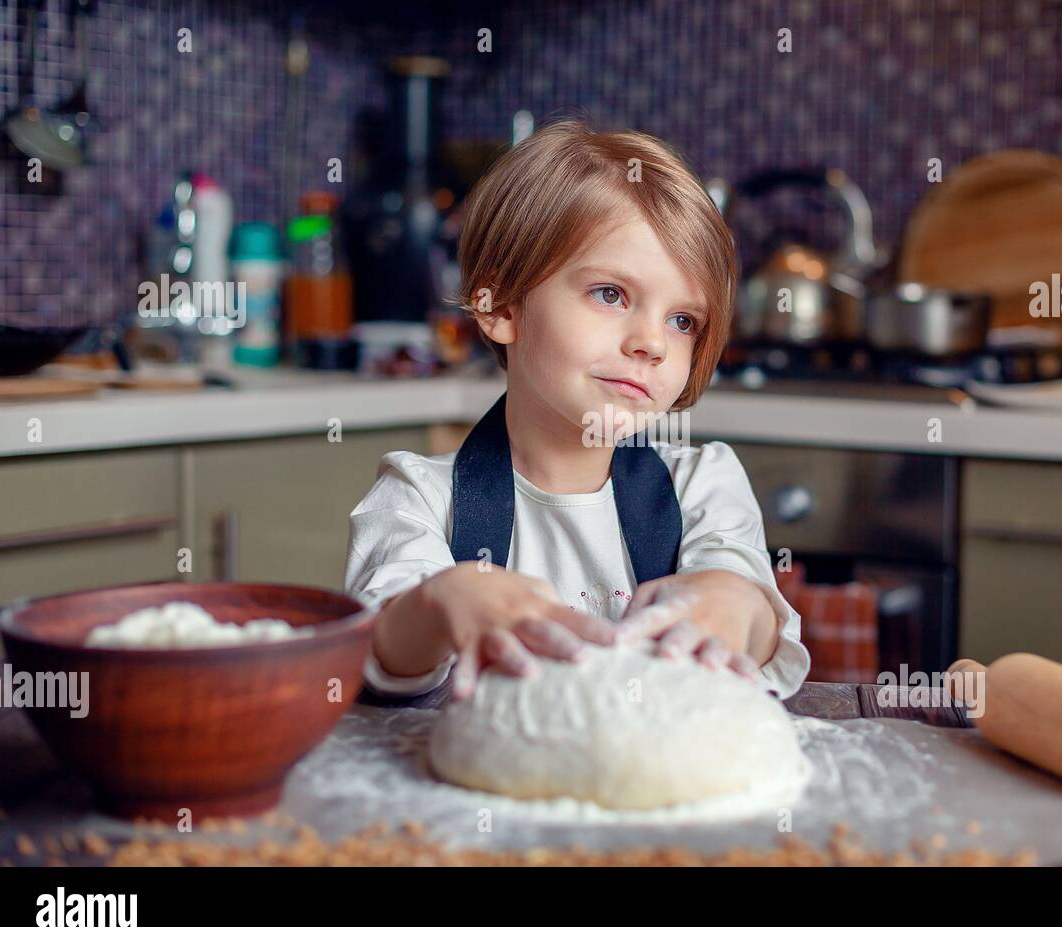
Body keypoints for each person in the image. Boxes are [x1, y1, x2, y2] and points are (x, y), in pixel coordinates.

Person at [344, 119, 809, 703]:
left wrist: (735, 605)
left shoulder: (701, 485)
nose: (652, 343)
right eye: (610, 294)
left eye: (682, 320)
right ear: (500, 306)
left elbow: (760, 627)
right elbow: (379, 649)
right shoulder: (417, 497)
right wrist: (443, 602)